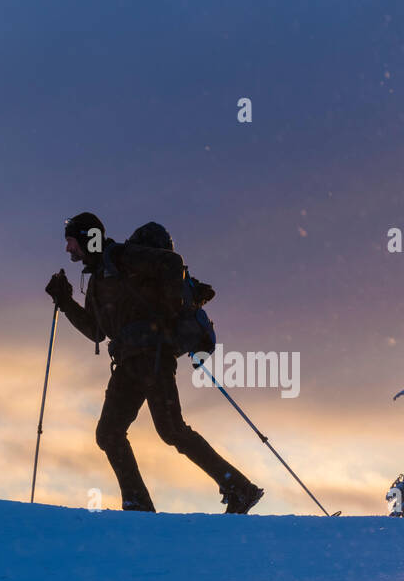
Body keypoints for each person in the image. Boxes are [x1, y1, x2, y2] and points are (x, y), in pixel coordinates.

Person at [45, 212, 264, 514]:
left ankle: (236, 488)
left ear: (87, 237)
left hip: (152, 357)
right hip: (129, 361)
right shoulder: (98, 280)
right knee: (113, 433)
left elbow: (172, 264)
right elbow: (96, 331)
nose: (68, 249)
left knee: (168, 430)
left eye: (71, 241)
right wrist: (65, 301)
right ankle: (143, 503)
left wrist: (171, 312)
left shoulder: (120, 257)